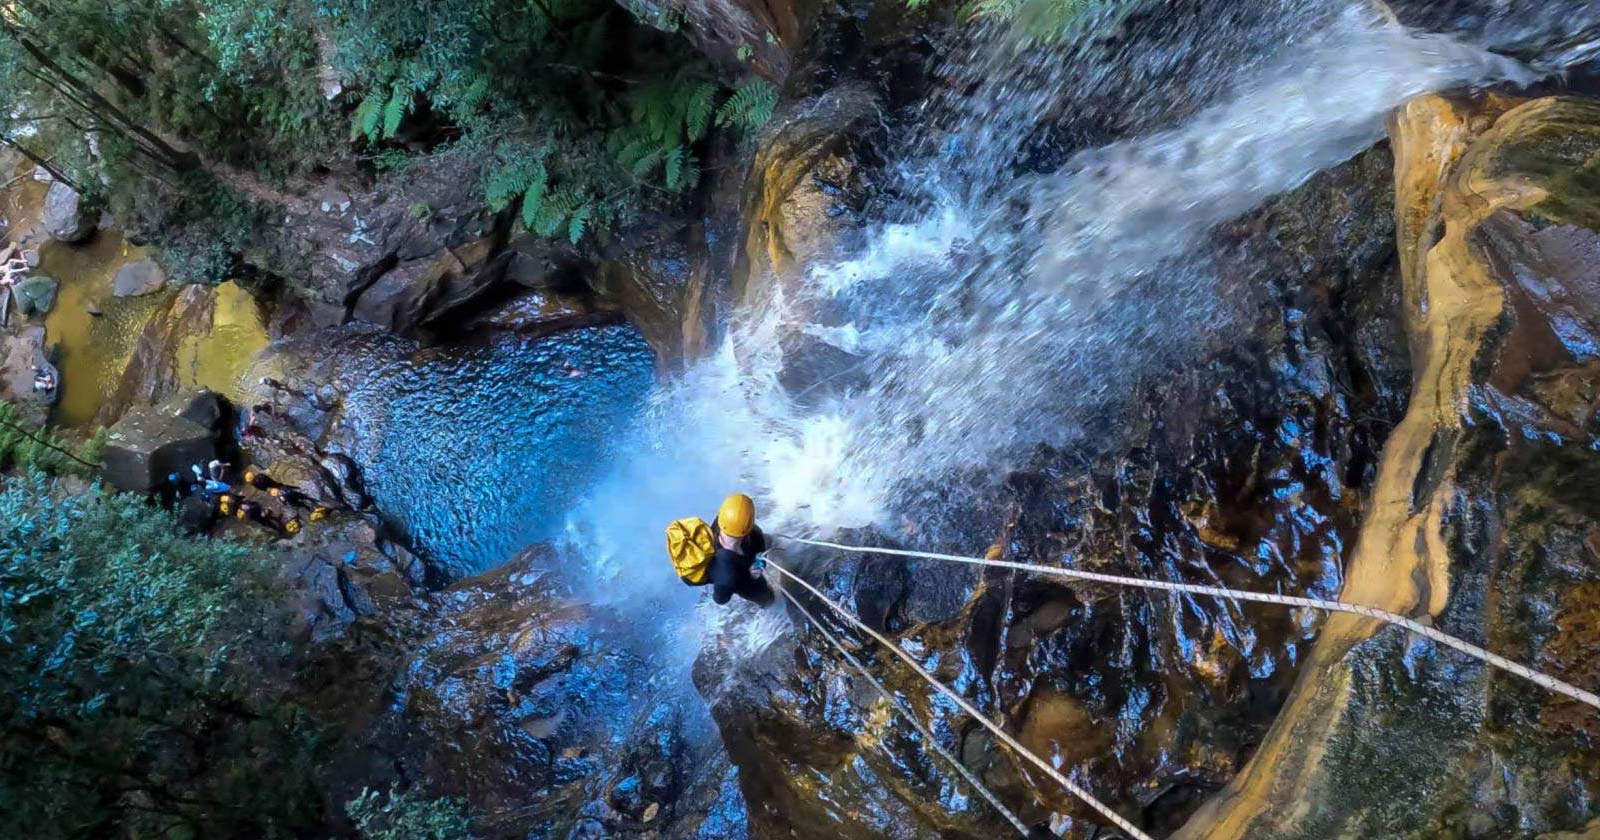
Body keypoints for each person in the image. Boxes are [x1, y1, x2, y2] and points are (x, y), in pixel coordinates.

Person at [709, 493, 774, 607]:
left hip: (740, 572)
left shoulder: (753, 533)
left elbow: (760, 553)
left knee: (768, 539)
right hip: (743, 581)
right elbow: (720, 598)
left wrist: (759, 565)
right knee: (767, 598)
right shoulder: (722, 560)